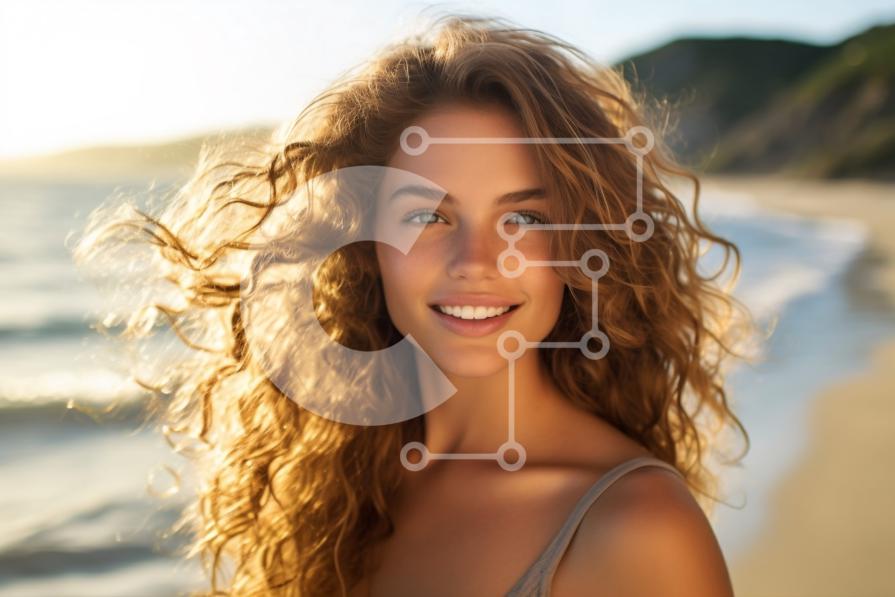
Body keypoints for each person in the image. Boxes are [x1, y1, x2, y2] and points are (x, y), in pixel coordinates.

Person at [75, 12, 757, 597]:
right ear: (364, 245)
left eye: (522, 220)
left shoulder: (635, 528)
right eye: (427, 216)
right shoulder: (336, 489)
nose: (475, 261)